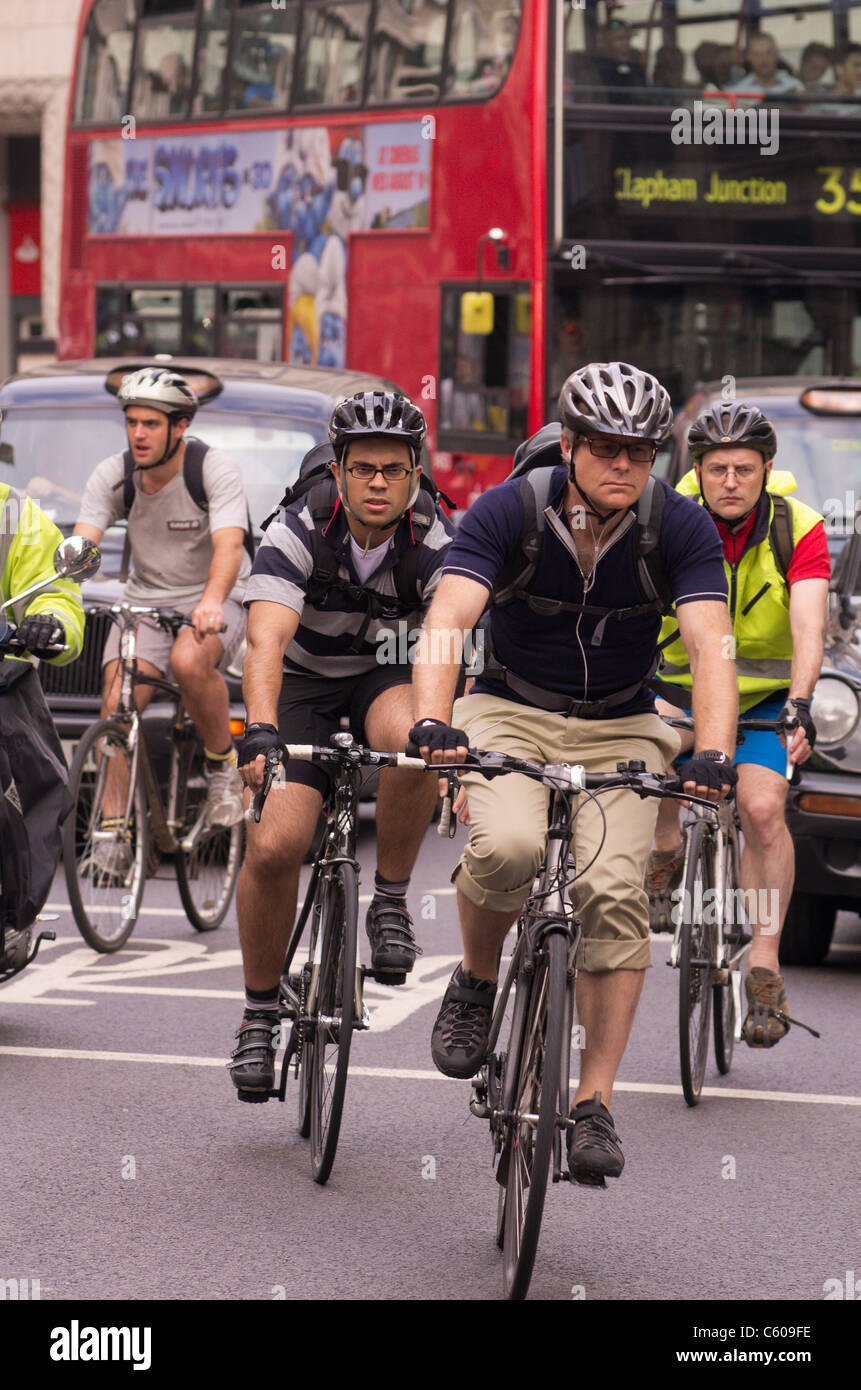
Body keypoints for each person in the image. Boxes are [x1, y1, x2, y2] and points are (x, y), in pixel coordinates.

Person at [410, 362, 737, 1186]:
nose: (622, 465)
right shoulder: (509, 509)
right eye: (603, 447)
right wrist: (432, 717)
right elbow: (449, 617)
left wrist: (715, 754)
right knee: (509, 847)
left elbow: (709, 648)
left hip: (624, 724)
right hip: (509, 708)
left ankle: (593, 1102)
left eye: (640, 450)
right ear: (570, 443)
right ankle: (478, 979)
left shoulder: (680, 528)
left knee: (613, 894)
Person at [230, 391, 454, 1100]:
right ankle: (260, 1015)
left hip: (388, 674)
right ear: (341, 468)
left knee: (416, 740)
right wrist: (260, 730)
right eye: (363, 469)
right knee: (272, 846)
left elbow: (450, 639)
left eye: (393, 469)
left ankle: (388, 901)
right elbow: (265, 638)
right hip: (301, 684)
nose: (379, 483)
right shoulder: (298, 526)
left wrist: (443, 725)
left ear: (416, 473)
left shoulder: (435, 537)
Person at [646, 401, 830, 1047]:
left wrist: (799, 705)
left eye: (743, 469)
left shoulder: (797, 528)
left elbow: (809, 627)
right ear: (695, 469)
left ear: (765, 470)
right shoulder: (664, 518)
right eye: (716, 468)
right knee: (650, 763)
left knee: (759, 810)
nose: (729, 481)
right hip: (675, 689)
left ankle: (763, 969)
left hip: (761, 700)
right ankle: (664, 853)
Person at [74, 368, 249, 876]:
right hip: (145, 601)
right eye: (132, 423)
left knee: (189, 659)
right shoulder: (114, 473)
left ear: (181, 425)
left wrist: (212, 600)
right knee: (116, 705)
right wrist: (77, 562)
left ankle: (221, 770)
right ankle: (111, 833)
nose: (139, 434)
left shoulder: (213, 469)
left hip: (216, 597)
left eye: (151, 423)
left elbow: (230, 546)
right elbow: (86, 537)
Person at [0, 471, 86, 971]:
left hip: (1, 679)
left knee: (25, 772)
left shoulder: (14, 513)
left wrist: (49, 622)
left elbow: (54, 592)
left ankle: (13, 904)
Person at [730, 32, 804, 97]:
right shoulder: (737, 93)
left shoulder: (795, 87)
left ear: (777, 54)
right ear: (748, 57)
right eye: (757, 54)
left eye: (768, 52)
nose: (763, 59)